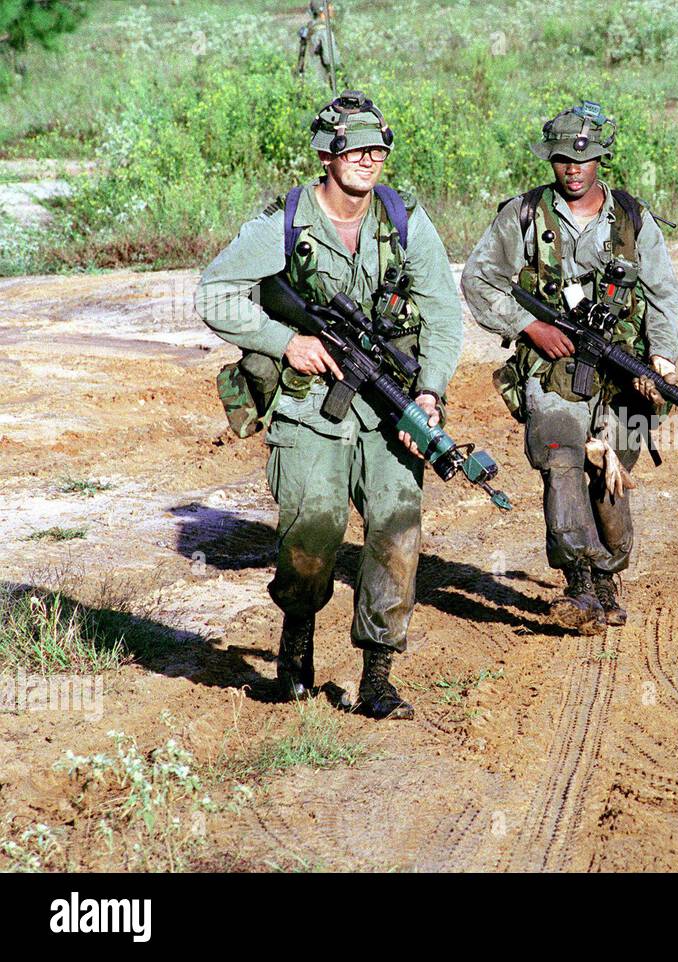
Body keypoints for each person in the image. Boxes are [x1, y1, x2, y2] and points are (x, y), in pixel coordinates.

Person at [195, 92, 462, 719]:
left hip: (389, 406)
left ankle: (377, 675)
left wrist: (429, 390)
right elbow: (215, 294)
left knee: (397, 532)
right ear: (327, 151)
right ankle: (296, 648)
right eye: (355, 147)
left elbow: (444, 312)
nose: (368, 159)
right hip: (308, 406)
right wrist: (287, 341)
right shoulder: (286, 222)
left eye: (378, 149)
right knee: (312, 530)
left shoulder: (403, 220)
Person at [461, 101, 678, 634]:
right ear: (551, 160)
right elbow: (478, 279)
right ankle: (580, 584)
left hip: (624, 373)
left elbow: (664, 296)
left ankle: (608, 573)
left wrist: (661, 358)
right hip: (552, 370)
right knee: (560, 460)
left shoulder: (633, 219)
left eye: (584, 159)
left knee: (611, 475)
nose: (573, 169)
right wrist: (528, 326)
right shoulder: (523, 215)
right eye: (562, 159)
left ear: (602, 159)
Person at [295, 0, 338, 89]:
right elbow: (331, 60)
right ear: (323, 10)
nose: (332, 8)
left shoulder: (308, 28)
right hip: (320, 84)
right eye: (329, 6)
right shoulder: (324, 32)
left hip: (305, 82)